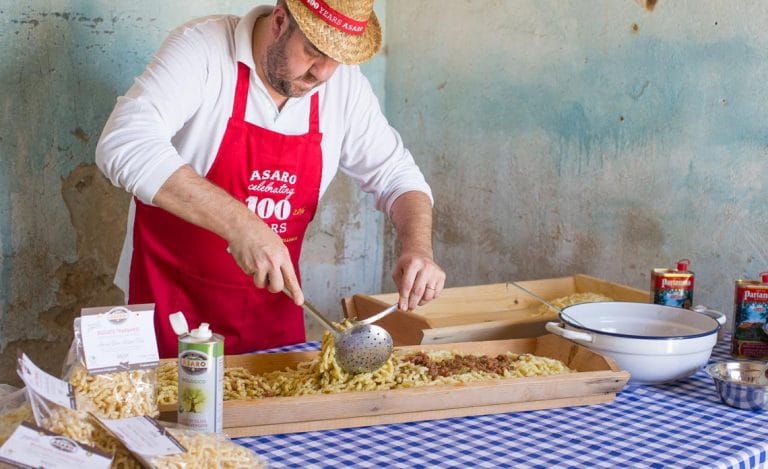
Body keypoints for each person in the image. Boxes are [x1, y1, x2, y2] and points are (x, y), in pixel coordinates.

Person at [95, 0, 446, 358]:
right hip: (170, 316)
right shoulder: (203, 49)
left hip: (274, 328)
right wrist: (241, 224)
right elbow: (123, 141)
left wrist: (418, 247)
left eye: (337, 58)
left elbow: (399, 177)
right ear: (279, 21)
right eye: (313, 52)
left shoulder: (343, 88)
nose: (323, 74)